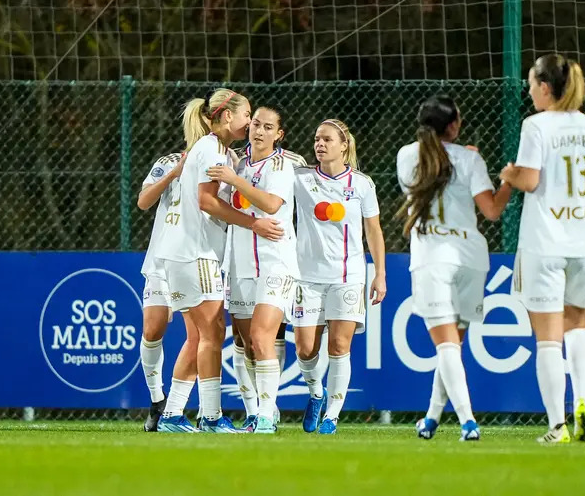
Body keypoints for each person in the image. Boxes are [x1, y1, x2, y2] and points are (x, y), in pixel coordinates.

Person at [156, 89, 283, 432]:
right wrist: (253, 223)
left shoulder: (215, 149)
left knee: (198, 337)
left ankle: (172, 414)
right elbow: (207, 202)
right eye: (247, 116)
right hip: (195, 253)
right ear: (228, 116)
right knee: (212, 333)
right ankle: (211, 416)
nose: (250, 123)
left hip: (182, 253)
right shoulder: (212, 148)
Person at [500, 54, 585, 444]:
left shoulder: (536, 125)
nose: (529, 92)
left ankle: (556, 426)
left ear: (545, 87)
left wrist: (509, 173)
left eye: (531, 84)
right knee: (579, 326)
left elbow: (530, 180)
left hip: (545, 242)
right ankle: (584, 403)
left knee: (548, 338)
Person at [396, 95, 511, 441]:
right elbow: (492, 211)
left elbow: (430, 171)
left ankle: (468, 422)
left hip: (433, 258)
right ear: (454, 126)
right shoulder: (470, 159)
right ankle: (431, 418)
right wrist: (508, 182)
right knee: (452, 348)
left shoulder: (406, 156)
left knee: (446, 347)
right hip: (471, 258)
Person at [207, 106, 300, 434]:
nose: (259, 131)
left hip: (277, 262)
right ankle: (257, 411)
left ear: (279, 134)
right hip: (240, 263)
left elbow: (271, 204)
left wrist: (234, 181)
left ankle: (265, 417)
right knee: (246, 342)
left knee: (262, 336)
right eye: (256, 124)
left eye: (268, 127)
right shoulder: (236, 162)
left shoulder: (282, 164)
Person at [292, 119, 386, 434]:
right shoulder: (300, 178)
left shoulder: (361, 183)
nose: (320, 144)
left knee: (339, 345)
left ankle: (331, 416)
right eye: (317, 139)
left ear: (344, 145)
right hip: (307, 277)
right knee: (305, 349)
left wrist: (380, 273)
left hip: (347, 276)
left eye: (327, 139)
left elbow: (373, 230)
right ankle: (316, 393)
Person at [136, 151, 186, 431]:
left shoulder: (227, 161)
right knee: (152, 330)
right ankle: (158, 401)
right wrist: (173, 174)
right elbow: (143, 201)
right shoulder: (169, 161)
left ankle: (198, 409)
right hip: (162, 261)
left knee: (202, 336)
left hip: (201, 259)